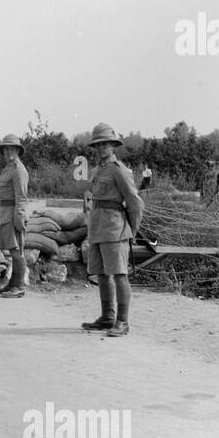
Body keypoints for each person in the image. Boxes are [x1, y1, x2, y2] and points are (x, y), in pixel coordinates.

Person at [81, 123, 145, 337]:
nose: (101, 149)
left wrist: (132, 231)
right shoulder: (98, 170)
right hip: (99, 227)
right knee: (102, 274)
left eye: (105, 144)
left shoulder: (120, 170)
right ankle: (107, 317)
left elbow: (135, 203)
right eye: (97, 145)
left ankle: (123, 321)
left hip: (115, 229)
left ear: (113, 146)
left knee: (119, 275)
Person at [0, 134, 30, 298]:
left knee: (16, 251)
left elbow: (21, 197)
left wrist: (19, 219)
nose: (8, 152)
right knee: (13, 252)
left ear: (18, 150)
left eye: (12, 149)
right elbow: (5, 198)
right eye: (6, 149)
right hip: (5, 213)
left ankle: (19, 286)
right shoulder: (8, 169)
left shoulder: (19, 170)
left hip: (14, 214)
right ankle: (12, 284)